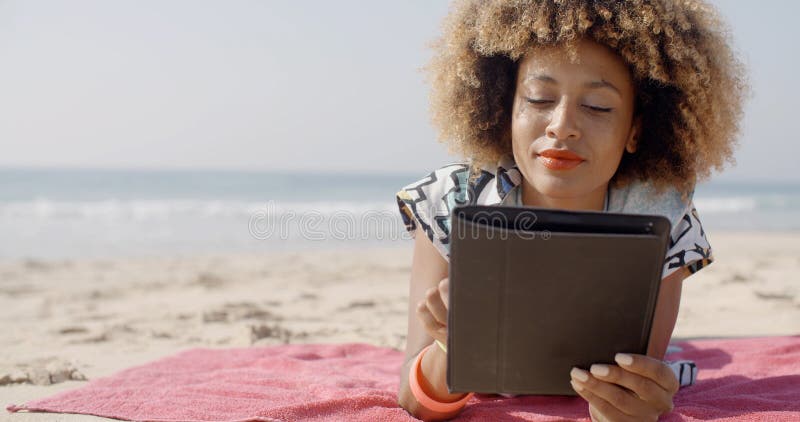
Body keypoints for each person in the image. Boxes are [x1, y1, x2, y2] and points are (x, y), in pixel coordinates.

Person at [394, 1, 747, 421]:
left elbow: (631, 388)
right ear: (505, 111)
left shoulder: (662, 217)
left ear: (635, 130)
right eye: (539, 98)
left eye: (597, 106)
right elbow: (414, 399)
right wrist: (449, 345)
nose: (561, 126)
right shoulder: (452, 201)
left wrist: (624, 408)